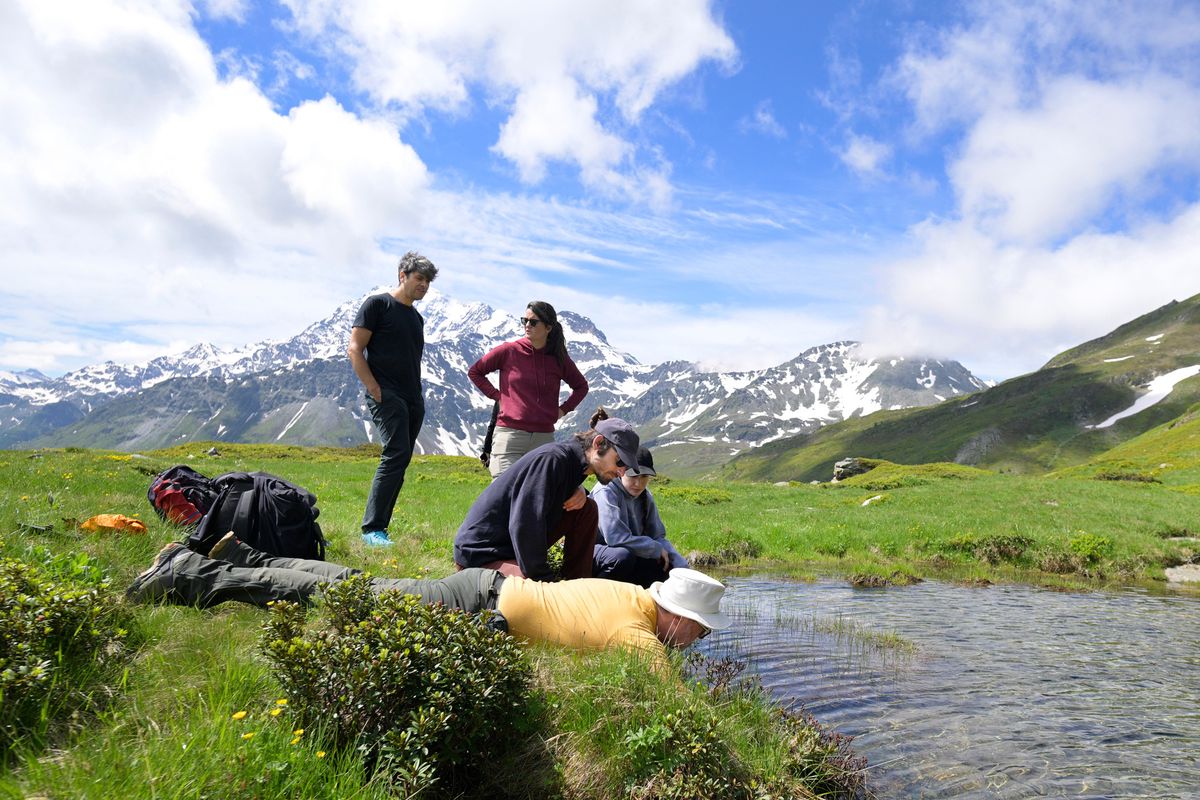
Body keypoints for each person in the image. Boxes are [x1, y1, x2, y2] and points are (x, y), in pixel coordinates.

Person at [126, 533, 731, 671]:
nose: (698, 640)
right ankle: (192, 575)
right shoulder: (638, 635)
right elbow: (670, 695)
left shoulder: (634, 595)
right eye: (698, 630)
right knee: (349, 595)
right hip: (472, 604)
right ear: (675, 615)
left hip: (484, 593)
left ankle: (247, 559)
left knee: (350, 585)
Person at [454, 409, 639, 581]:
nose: (622, 472)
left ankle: (578, 584)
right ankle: (551, 589)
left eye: (627, 467)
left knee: (587, 508)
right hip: (480, 556)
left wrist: (581, 491)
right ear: (598, 443)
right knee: (535, 595)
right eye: (620, 461)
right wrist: (545, 582)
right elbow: (524, 523)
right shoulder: (552, 460)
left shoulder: (575, 465)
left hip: (509, 551)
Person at [347, 251, 438, 547]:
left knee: (401, 459)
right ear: (402, 275)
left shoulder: (416, 318)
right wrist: (374, 388)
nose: (423, 285)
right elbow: (355, 349)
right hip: (386, 393)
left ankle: (380, 528)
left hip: (413, 397)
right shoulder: (378, 305)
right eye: (419, 278)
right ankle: (372, 529)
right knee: (395, 453)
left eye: (427, 281)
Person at [468, 301, 589, 478]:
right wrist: (498, 397)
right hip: (509, 436)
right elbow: (475, 372)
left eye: (533, 322)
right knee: (503, 495)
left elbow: (581, 387)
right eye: (524, 320)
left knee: (536, 497)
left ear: (548, 327)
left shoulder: (558, 358)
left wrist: (563, 410)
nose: (527, 325)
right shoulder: (508, 351)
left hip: (543, 439)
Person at [592, 446, 688, 588]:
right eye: (633, 476)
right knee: (623, 557)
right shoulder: (605, 491)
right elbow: (615, 538)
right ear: (621, 471)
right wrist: (654, 548)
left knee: (665, 565)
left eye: (644, 477)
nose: (638, 483)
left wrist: (681, 566)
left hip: (628, 553)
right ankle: (598, 596)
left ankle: (642, 603)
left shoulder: (645, 496)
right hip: (597, 552)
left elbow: (658, 536)